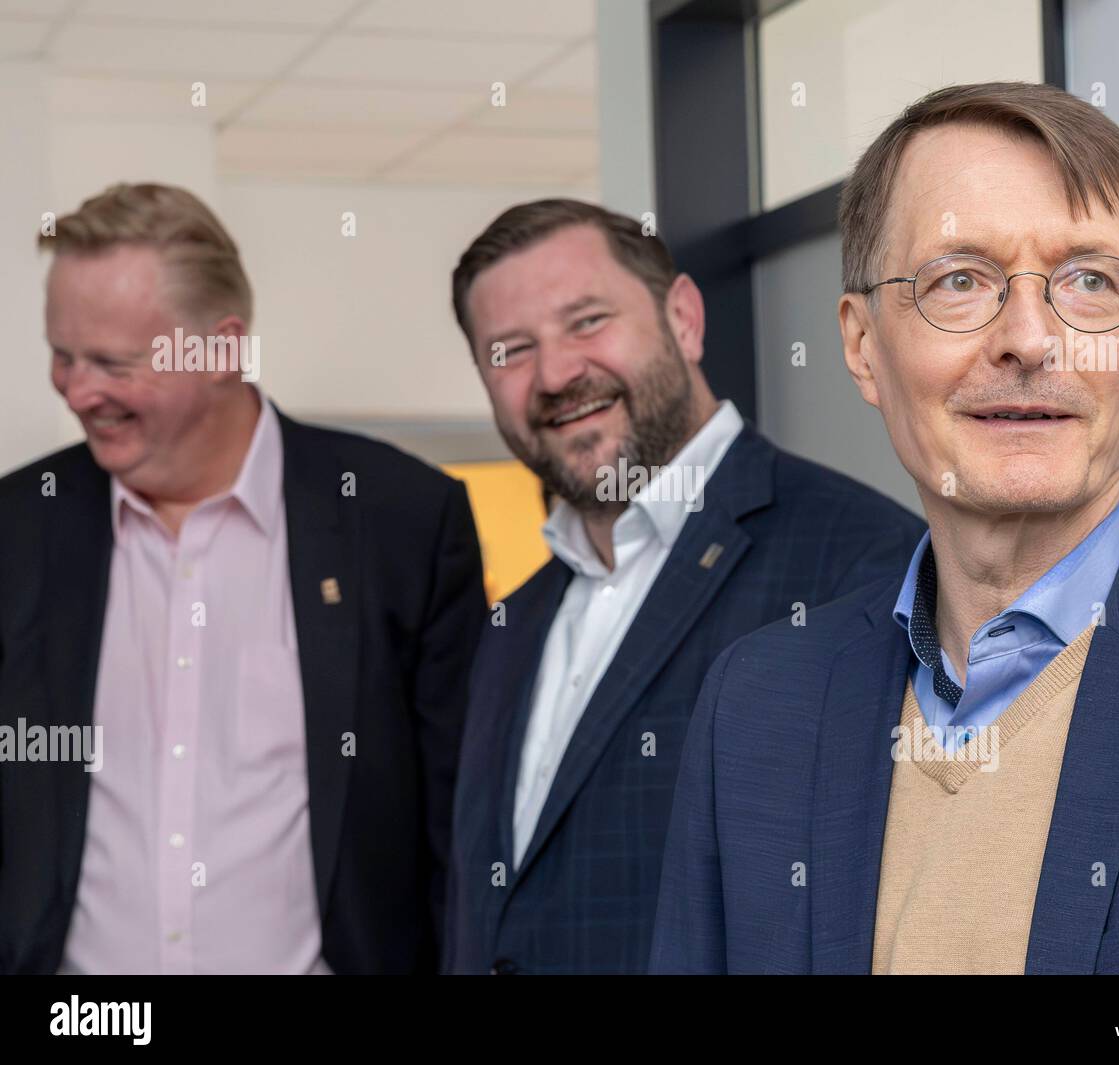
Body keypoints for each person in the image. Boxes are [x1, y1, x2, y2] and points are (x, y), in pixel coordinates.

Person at [651, 81, 1119, 975]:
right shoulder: (757, 707)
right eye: (960, 280)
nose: (1030, 338)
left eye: (1088, 280)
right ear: (862, 345)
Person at [0, 183, 485, 974]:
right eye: (63, 355)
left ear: (222, 350)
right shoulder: (18, 529)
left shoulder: (399, 522)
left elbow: (458, 828)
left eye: (114, 363)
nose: (78, 391)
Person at [443, 198, 925, 974]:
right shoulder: (513, 621)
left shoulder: (862, 565)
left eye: (588, 320)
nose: (557, 373)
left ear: (685, 319)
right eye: (510, 350)